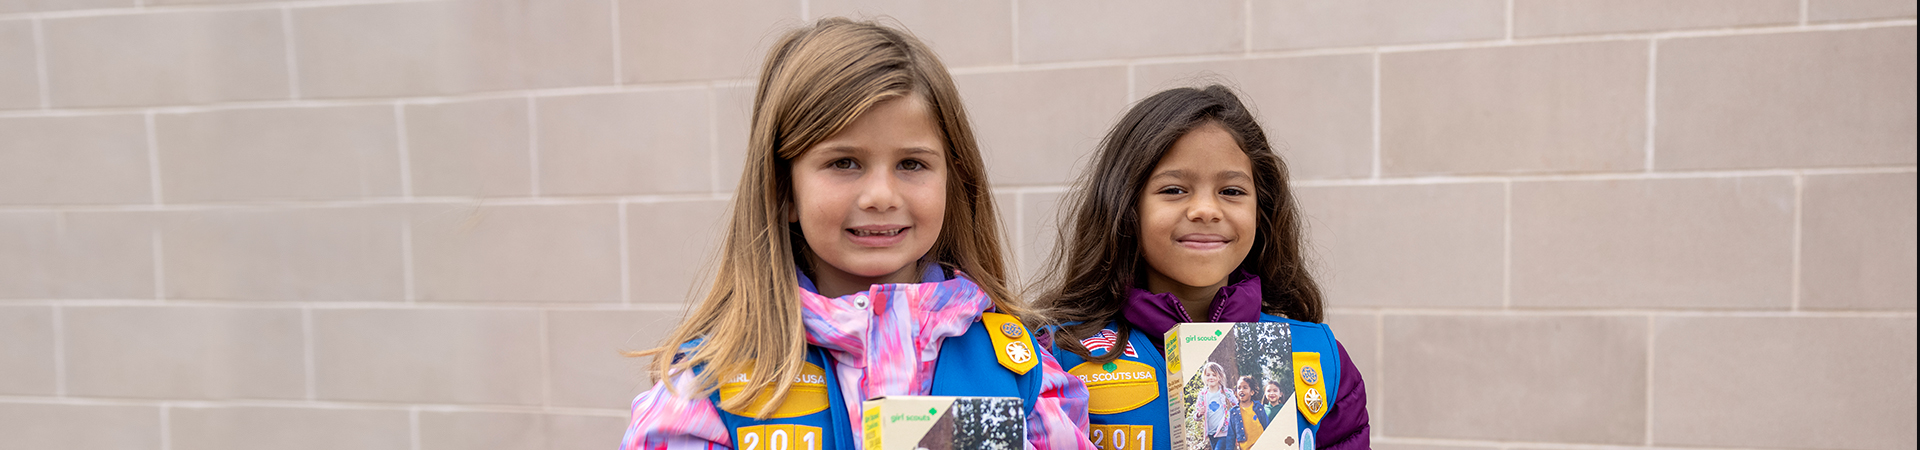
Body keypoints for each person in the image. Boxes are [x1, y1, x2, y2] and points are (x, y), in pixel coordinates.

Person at [621, 18, 1092, 450]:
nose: (881, 195)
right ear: (783, 191)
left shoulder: (1019, 368)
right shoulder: (713, 383)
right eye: (844, 163)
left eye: (912, 164)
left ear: (954, 180)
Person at [1035, 85, 1369, 450]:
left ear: (1262, 211)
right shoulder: (1054, 354)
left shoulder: (1319, 358)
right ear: (1125, 208)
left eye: (1232, 191)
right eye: (1175, 190)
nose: (1206, 210)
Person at [1233, 376, 1266, 450]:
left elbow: (1266, 425)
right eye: (1239, 388)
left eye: (1245, 387)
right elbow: (1231, 433)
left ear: (1252, 392)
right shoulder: (1234, 412)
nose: (1241, 390)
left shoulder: (1259, 408)